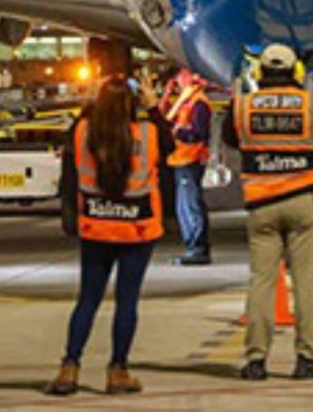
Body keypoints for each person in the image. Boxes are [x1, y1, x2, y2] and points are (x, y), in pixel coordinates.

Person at [222, 43, 313, 382]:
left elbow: (231, 139)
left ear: (260, 73)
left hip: (262, 203)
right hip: (303, 202)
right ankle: (306, 358)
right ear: (296, 73)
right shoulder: (312, 105)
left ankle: (256, 360)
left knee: (261, 283)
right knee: (306, 282)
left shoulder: (243, 107)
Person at [45, 72, 169, 397]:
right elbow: (171, 148)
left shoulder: (84, 131)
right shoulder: (149, 132)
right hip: (137, 229)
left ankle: (69, 367)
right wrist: (153, 106)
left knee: (88, 299)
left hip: (97, 227)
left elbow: (71, 172)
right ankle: (118, 370)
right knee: (126, 303)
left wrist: (93, 101)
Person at [160, 66, 212, 265]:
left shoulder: (198, 102)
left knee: (190, 204)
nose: (178, 79)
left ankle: (197, 247)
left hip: (190, 158)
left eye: (181, 75)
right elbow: (163, 115)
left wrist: (178, 133)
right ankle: (194, 246)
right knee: (185, 205)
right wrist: (166, 93)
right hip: (181, 158)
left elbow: (199, 133)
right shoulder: (185, 101)